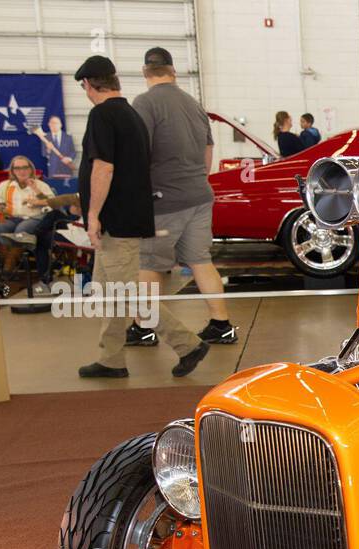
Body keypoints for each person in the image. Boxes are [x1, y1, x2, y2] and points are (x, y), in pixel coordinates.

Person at [73, 54, 208, 379]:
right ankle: (111, 358)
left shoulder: (103, 116)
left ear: (89, 84)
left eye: (84, 87)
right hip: (127, 218)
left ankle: (187, 344)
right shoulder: (130, 114)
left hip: (114, 221)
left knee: (126, 291)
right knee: (109, 291)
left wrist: (92, 215)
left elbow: (103, 168)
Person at [132, 46, 237, 346]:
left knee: (149, 263)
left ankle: (144, 328)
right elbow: (208, 150)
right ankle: (221, 324)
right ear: (173, 71)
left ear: (144, 72)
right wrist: (197, 179)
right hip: (200, 195)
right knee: (201, 260)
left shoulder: (144, 102)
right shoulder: (193, 104)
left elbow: (140, 152)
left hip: (164, 199)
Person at [0, 155, 55, 274]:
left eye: (25, 167)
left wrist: (35, 189)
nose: (22, 171)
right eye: (17, 168)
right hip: (12, 217)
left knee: (21, 229)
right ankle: (10, 260)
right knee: (0, 227)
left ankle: (8, 266)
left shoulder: (40, 185)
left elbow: (52, 204)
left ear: (31, 169)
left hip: (34, 218)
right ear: (13, 171)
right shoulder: (6, 185)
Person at [36, 115, 77, 191]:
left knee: (67, 189)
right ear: (49, 125)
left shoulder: (68, 137)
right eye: (51, 123)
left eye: (56, 123)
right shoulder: (46, 137)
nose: (53, 125)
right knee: (54, 189)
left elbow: (73, 152)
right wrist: (48, 149)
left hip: (66, 169)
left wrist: (69, 159)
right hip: (53, 170)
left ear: (60, 125)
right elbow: (44, 154)